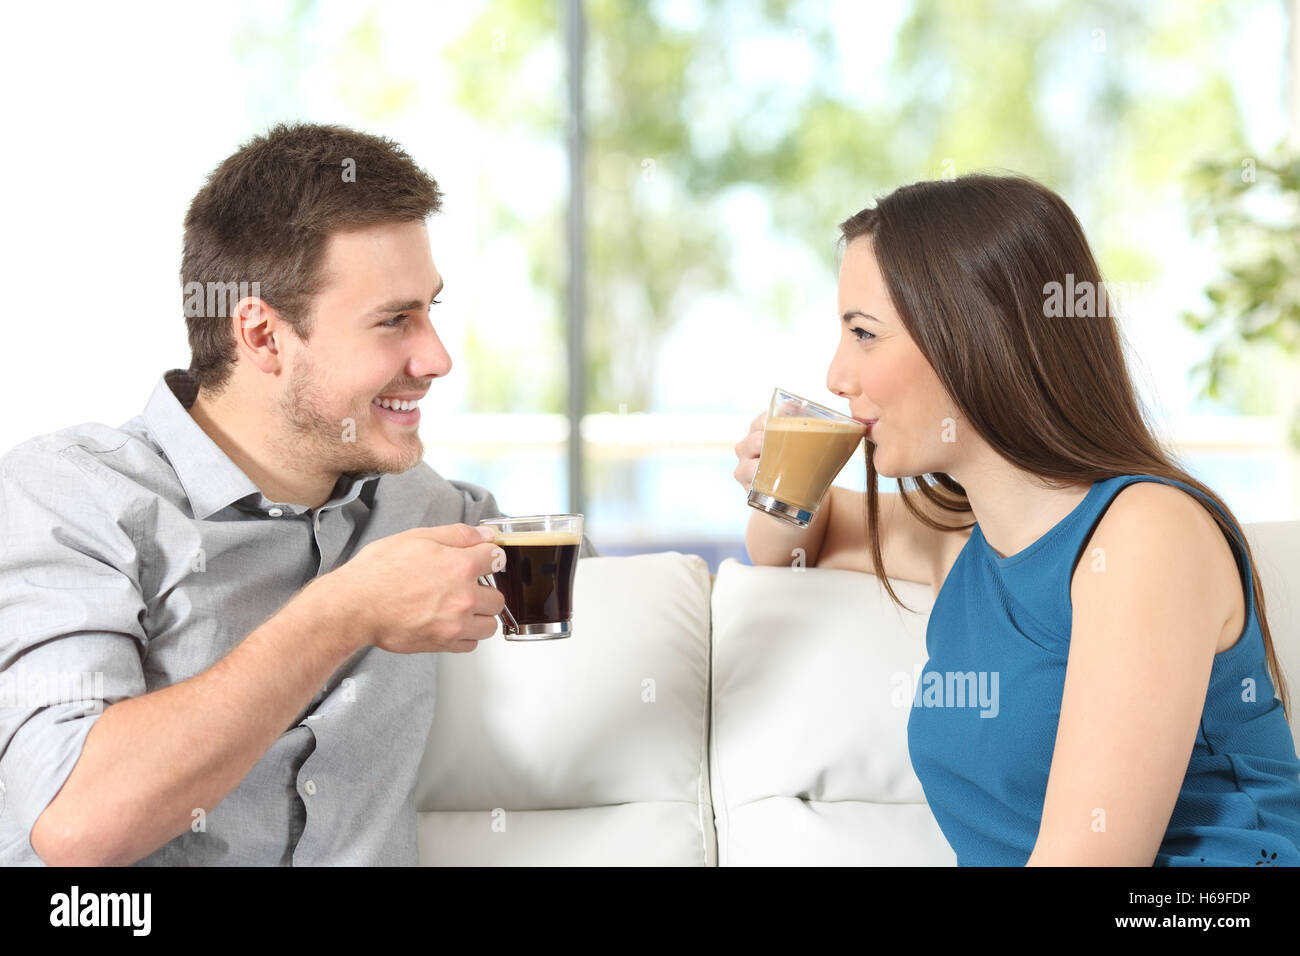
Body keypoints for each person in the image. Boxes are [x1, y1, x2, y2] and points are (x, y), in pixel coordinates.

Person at [0, 122, 596, 866]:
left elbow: (622, 599)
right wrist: (345, 611)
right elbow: (76, 824)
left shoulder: (425, 509)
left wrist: (785, 521)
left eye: (431, 310)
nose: (437, 358)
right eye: (394, 321)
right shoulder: (71, 496)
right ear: (263, 336)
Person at [734, 172, 1300, 866]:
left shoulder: (1146, 534)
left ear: (974, 333)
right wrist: (781, 478)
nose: (835, 375)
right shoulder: (969, 541)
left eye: (863, 334)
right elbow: (789, 547)